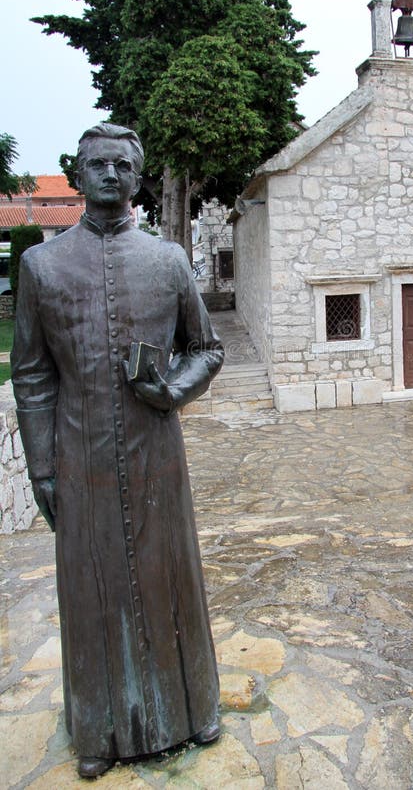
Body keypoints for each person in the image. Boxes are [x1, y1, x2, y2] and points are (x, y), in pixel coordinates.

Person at [11, 123, 224, 778]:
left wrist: (173, 391)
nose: (110, 174)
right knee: (91, 590)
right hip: (80, 456)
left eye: (122, 165)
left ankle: (192, 709)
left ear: (138, 178)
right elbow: (32, 372)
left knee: (169, 579)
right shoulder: (41, 266)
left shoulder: (166, 261)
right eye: (97, 164)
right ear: (76, 174)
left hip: (155, 449)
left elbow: (206, 347)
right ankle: (99, 730)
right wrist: (43, 467)